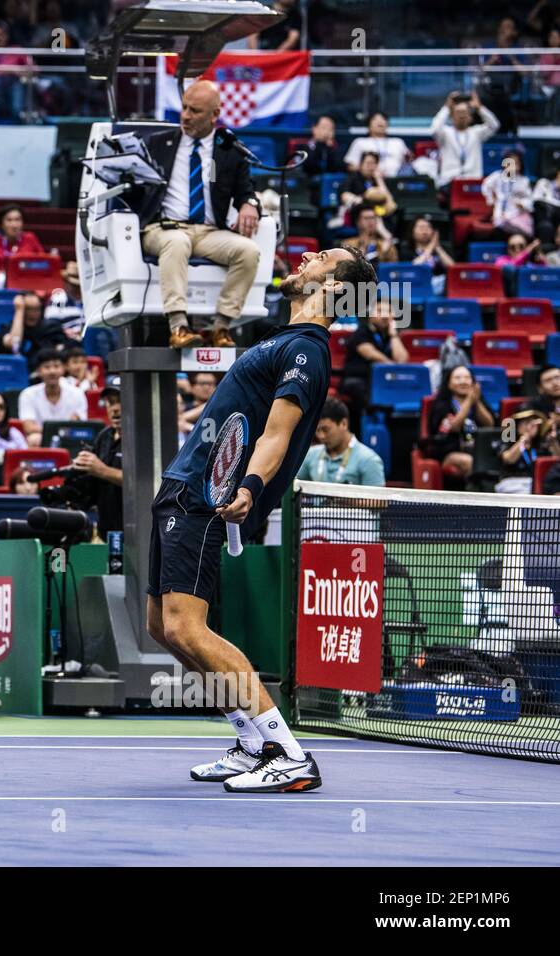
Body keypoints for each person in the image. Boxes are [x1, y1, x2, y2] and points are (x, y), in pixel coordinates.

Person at [148, 245, 377, 793]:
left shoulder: (307, 349)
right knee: (162, 628)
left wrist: (249, 486)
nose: (307, 256)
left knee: (186, 626)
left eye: (323, 257)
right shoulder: (278, 338)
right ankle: (250, 742)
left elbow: (276, 433)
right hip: (184, 485)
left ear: (336, 290)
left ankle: (287, 751)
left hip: (209, 496)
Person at [134, 80, 262, 349]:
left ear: (215, 115)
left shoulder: (228, 150)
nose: (185, 116)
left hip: (207, 231)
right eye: (184, 108)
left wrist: (250, 204)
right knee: (177, 242)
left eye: (195, 111)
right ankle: (179, 325)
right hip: (163, 228)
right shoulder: (157, 144)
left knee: (248, 251)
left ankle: (221, 326)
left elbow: (246, 191)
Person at [68, 373, 124, 536]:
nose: (115, 409)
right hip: (106, 529)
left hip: (139, 529)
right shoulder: (104, 436)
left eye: (121, 401)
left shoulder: (144, 436)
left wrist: (101, 470)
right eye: (111, 402)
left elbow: (148, 482)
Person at [425, 364, 495, 487]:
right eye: (457, 378)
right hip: (449, 453)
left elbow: (490, 424)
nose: (463, 381)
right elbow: (454, 427)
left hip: (477, 450)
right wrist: (468, 401)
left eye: (467, 378)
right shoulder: (442, 405)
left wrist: (476, 401)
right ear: (448, 383)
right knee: (473, 462)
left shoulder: (478, 402)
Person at [340, 301, 409, 423]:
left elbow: (402, 359)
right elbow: (371, 354)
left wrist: (393, 335)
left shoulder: (389, 336)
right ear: (369, 315)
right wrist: (394, 367)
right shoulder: (362, 332)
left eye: (388, 312)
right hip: (359, 380)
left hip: (382, 381)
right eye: (379, 311)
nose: (384, 316)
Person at [295, 398, 386, 486]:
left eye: (325, 429)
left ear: (343, 424)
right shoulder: (310, 454)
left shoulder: (369, 460)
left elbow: (377, 501)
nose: (321, 436)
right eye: (317, 430)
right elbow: (294, 489)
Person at [431, 91, 501, 188]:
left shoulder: (476, 132)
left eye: (464, 112)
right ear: (452, 116)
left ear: (470, 117)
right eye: (458, 112)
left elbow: (494, 125)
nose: (461, 115)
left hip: (472, 180)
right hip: (450, 180)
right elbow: (434, 129)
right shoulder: (446, 133)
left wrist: (479, 107)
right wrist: (447, 107)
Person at [17, 348, 87, 445]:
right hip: (41, 439)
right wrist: (59, 431)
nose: (52, 371)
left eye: (56, 366)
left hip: (70, 439)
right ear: (38, 370)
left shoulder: (77, 393)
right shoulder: (28, 394)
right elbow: (29, 427)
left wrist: (53, 431)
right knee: (34, 438)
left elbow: (77, 425)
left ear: (63, 368)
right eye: (47, 367)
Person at [0, 204, 45, 290]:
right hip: (0, 281)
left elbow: (44, 262)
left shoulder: (30, 238)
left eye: (17, 220)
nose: (14, 225)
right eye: (9, 220)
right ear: (1, 223)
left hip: (26, 281)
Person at [496, 408, 557, 494]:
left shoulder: (540, 444)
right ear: (517, 426)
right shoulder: (508, 440)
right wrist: (525, 438)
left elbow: (556, 460)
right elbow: (509, 459)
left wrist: (553, 441)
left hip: (536, 482)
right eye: (526, 423)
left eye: (533, 423)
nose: (531, 427)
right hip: (512, 482)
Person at [482, 154, 535, 239]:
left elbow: (529, 200)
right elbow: (485, 186)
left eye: (516, 163)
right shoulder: (497, 176)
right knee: (499, 226)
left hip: (516, 213)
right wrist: (491, 200)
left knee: (525, 227)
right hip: (500, 214)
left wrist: (522, 204)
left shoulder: (524, 181)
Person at [344, 110, 409, 178]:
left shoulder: (398, 142)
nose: (380, 121)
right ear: (369, 125)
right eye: (375, 119)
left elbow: (408, 163)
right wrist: (369, 171)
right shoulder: (360, 142)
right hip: (370, 180)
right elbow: (351, 166)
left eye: (383, 119)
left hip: (396, 180)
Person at [178, 371, 218, 437]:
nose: (206, 387)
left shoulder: (220, 408)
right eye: (202, 383)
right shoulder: (184, 407)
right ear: (192, 387)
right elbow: (177, 421)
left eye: (210, 384)